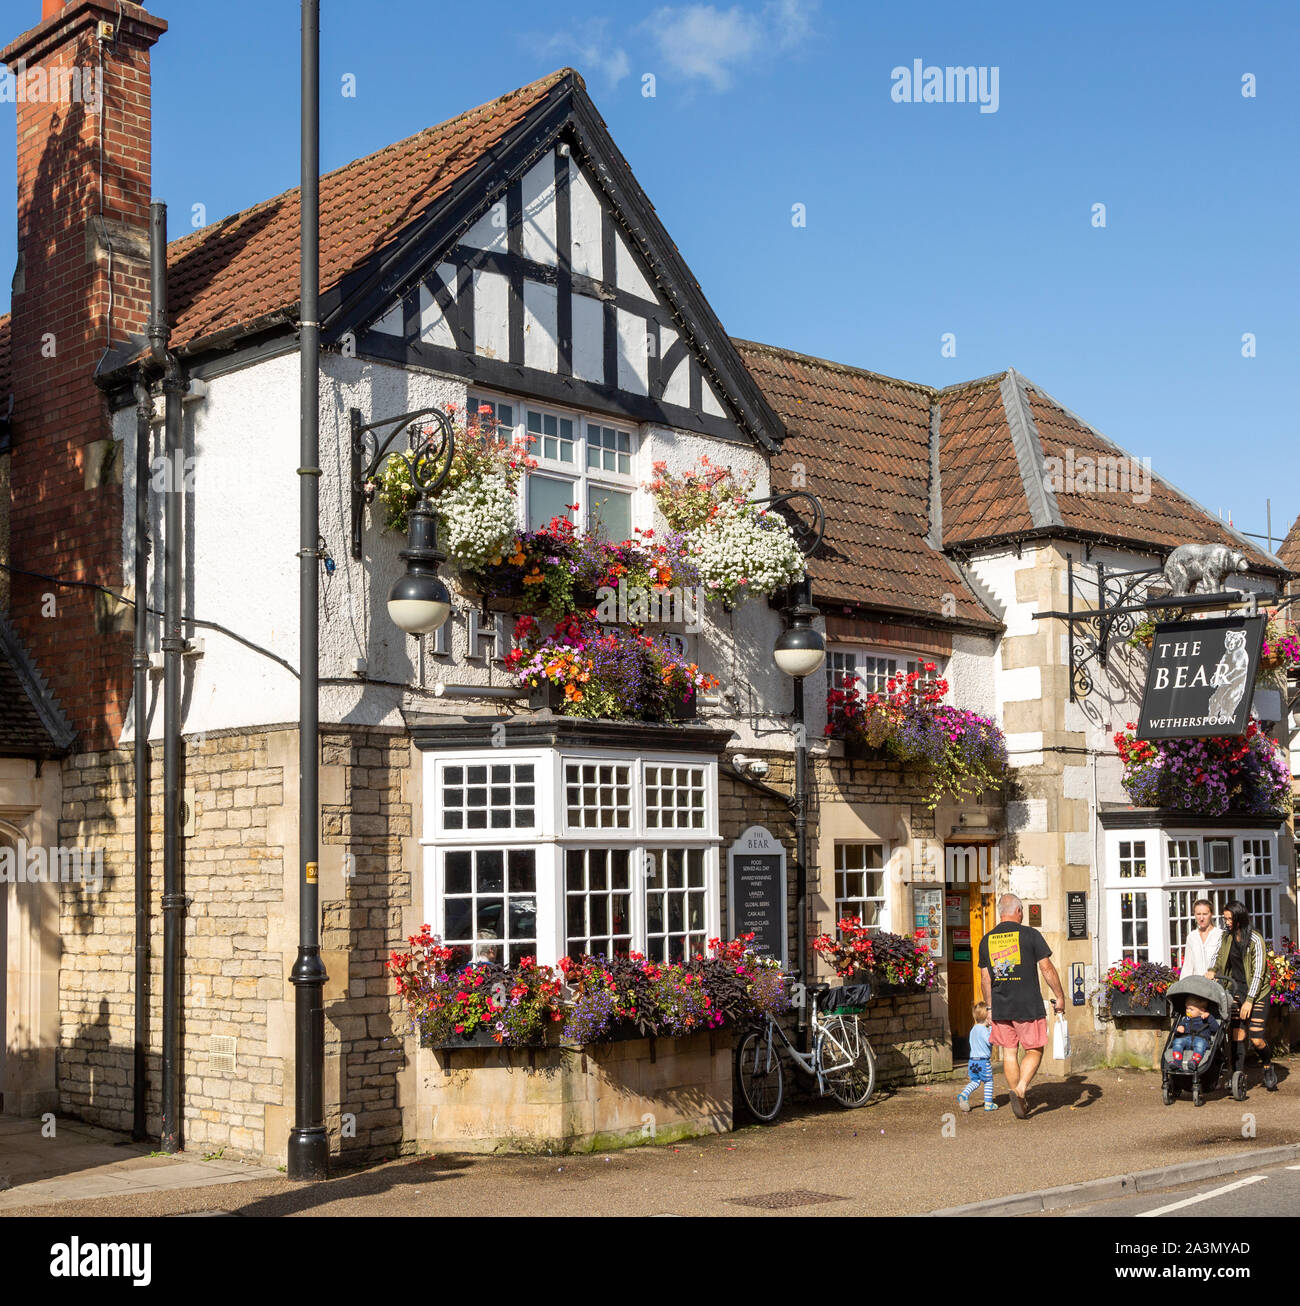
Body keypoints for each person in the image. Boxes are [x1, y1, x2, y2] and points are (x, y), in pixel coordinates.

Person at [979, 893, 1067, 1119]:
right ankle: (1020, 1089)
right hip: (1027, 1005)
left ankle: (1018, 1095)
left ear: (1001, 912)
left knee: (1009, 1053)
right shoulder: (1030, 935)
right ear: (1018, 911)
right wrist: (1059, 995)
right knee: (1034, 1049)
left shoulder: (987, 939)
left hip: (1000, 1006)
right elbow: (1047, 969)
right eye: (1022, 911)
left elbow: (986, 978)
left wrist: (989, 1008)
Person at [1206, 900, 1276, 1092]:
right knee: (1237, 1035)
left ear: (1239, 918)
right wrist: (1212, 970)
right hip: (1236, 988)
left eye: (1229, 918)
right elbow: (1217, 957)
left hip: (1258, 992)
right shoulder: (1225, 937)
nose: (1226, 922)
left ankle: (1268, 1065)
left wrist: (1250, 1001)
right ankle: (1237, 1074)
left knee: (1256, 1038)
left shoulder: (1255, 939)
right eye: (1225, 918)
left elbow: (1258, 973)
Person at [957, 1001, 997, 1112]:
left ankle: (964, 1095)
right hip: (983, 1062)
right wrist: (993, 1028)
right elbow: (990, 1041)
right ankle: (988, 1103)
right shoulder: (984, 1030)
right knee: (988, 1081)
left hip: (972, 1061)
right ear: (987, 1017)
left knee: (975, 1081)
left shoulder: (973, 1029)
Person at [1169, 995, 1219, 1069]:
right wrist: (1179, 1029)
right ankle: (1177, 1061)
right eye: (1187, 1008)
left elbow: (1215, 1028)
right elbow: (1177, 1032)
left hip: (1200, 1039)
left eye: (1191, 1009)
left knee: (1200, 1045)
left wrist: (1209, 1017)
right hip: (1186, 1039)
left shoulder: (1205, 1019)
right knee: (1177, 1041)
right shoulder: (1186, 1019)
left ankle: (1194, 1061)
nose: (1188, 1011)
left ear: (1202, 1010)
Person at [1179, 899, 1222, 979]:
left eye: (1205, 914)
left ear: (1211, 914)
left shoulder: (1220, 935)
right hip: (1196, 986)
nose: (1201, 918)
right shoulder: (1192, 937)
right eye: (1198, 914)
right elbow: (1188, 966)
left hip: (1216, 985)